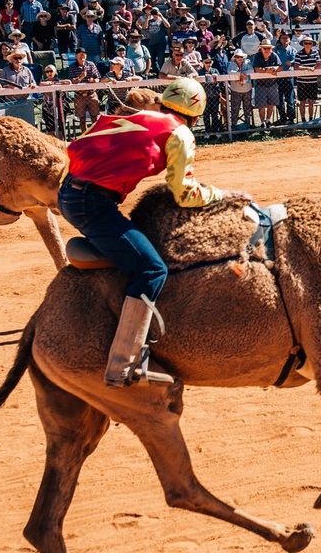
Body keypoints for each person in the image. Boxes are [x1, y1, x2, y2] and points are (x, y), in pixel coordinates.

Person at [58, 77, 224, 387]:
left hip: (70, 191)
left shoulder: (136, 115)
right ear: (196, 114)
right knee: (151, 269)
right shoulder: (180, 132)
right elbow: (183, 193)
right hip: (91, 203)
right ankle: (125, 362)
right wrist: (217, 194)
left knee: (133, 249)